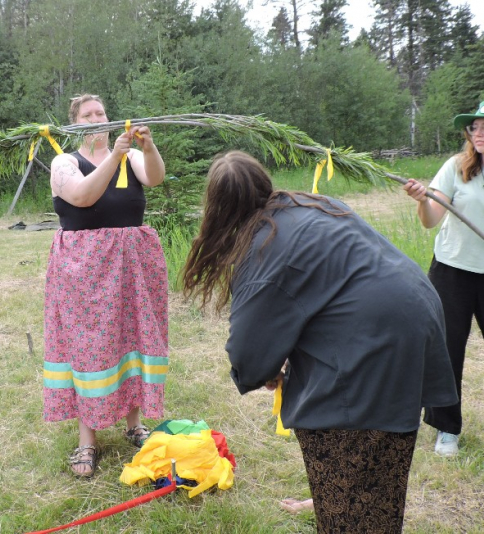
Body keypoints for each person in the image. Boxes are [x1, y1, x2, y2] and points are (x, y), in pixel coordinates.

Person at [182, 151, 458, 533]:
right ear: (263, 182)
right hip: (414, 315)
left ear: (217, 207)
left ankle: (347, 518)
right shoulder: (312, 203)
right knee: (379, 459)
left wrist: (258, 370)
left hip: (375, 336)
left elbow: (247, 348)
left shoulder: (264, 247)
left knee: (348, 454)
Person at [43, 94, 168, 478]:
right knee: (90, 348)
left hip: (132, 265)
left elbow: (156, 177)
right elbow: (82, 196)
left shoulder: (130, 158)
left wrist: (149, 147)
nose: (96, 118)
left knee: (132, 340)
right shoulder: (64, 161)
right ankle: (87, 440)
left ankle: (134, 424)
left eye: (101, 113)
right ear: (75, 124)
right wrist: (114, 155)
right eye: (87, 115)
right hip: (85, 270)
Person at [404, 100, 484, 457]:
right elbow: (431, 219)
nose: (477, 133)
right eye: (473, 127)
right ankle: (446, 428)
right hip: (451, 272)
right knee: (446, 351)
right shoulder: (456, 168)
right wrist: (420, 200)